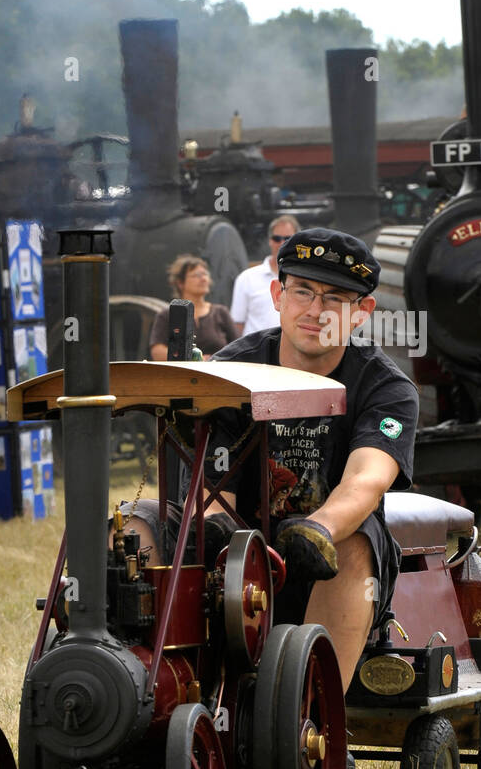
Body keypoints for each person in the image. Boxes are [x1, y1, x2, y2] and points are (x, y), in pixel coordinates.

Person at [125, 228, 419, 694]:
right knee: (135, 526)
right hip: (234, 546)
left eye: (336, 299)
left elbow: (368, 477)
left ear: (362, 313)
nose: (315, 310)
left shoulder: (386, 388)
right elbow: (207, 484)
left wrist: (318, 528)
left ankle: (314, 716)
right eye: (302, 291)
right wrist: (219, 535)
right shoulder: (228, 370)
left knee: (350, 543)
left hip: (325, 553)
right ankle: (147, 689)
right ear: (277, 295)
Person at [148, 255, 234, 360]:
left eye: (205, 274)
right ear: (180, 283)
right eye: (196, 275)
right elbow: (157, 351)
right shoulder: (166, 315)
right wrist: (194, 359)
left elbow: (238, 346)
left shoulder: (221, 312)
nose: (203, 279)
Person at [229, 213, 300, 337]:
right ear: (270, 241)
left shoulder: (306, 279)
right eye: (277, 238)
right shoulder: (246, 278)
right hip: (255, 353)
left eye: (288, 239)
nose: (282, 243)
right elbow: (237, 324)